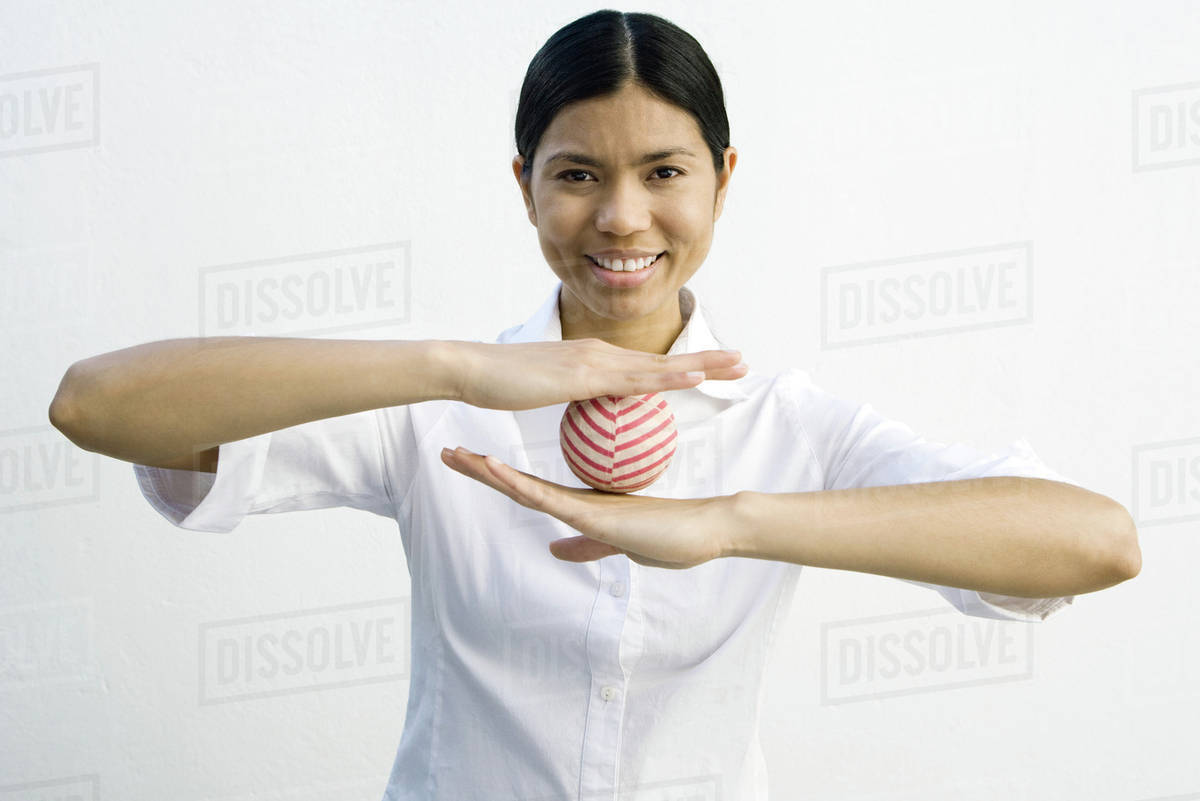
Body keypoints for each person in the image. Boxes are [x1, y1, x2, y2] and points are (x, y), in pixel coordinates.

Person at [48, 9, 1141, 801]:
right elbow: (98, 406)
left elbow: (1095, 540)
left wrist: (729, 523)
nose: (622, 217)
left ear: (724, 177)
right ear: (522, 182)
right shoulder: (438, 409)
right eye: (576, 176)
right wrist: (459, 370)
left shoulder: (793, 428)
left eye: (665, 171)